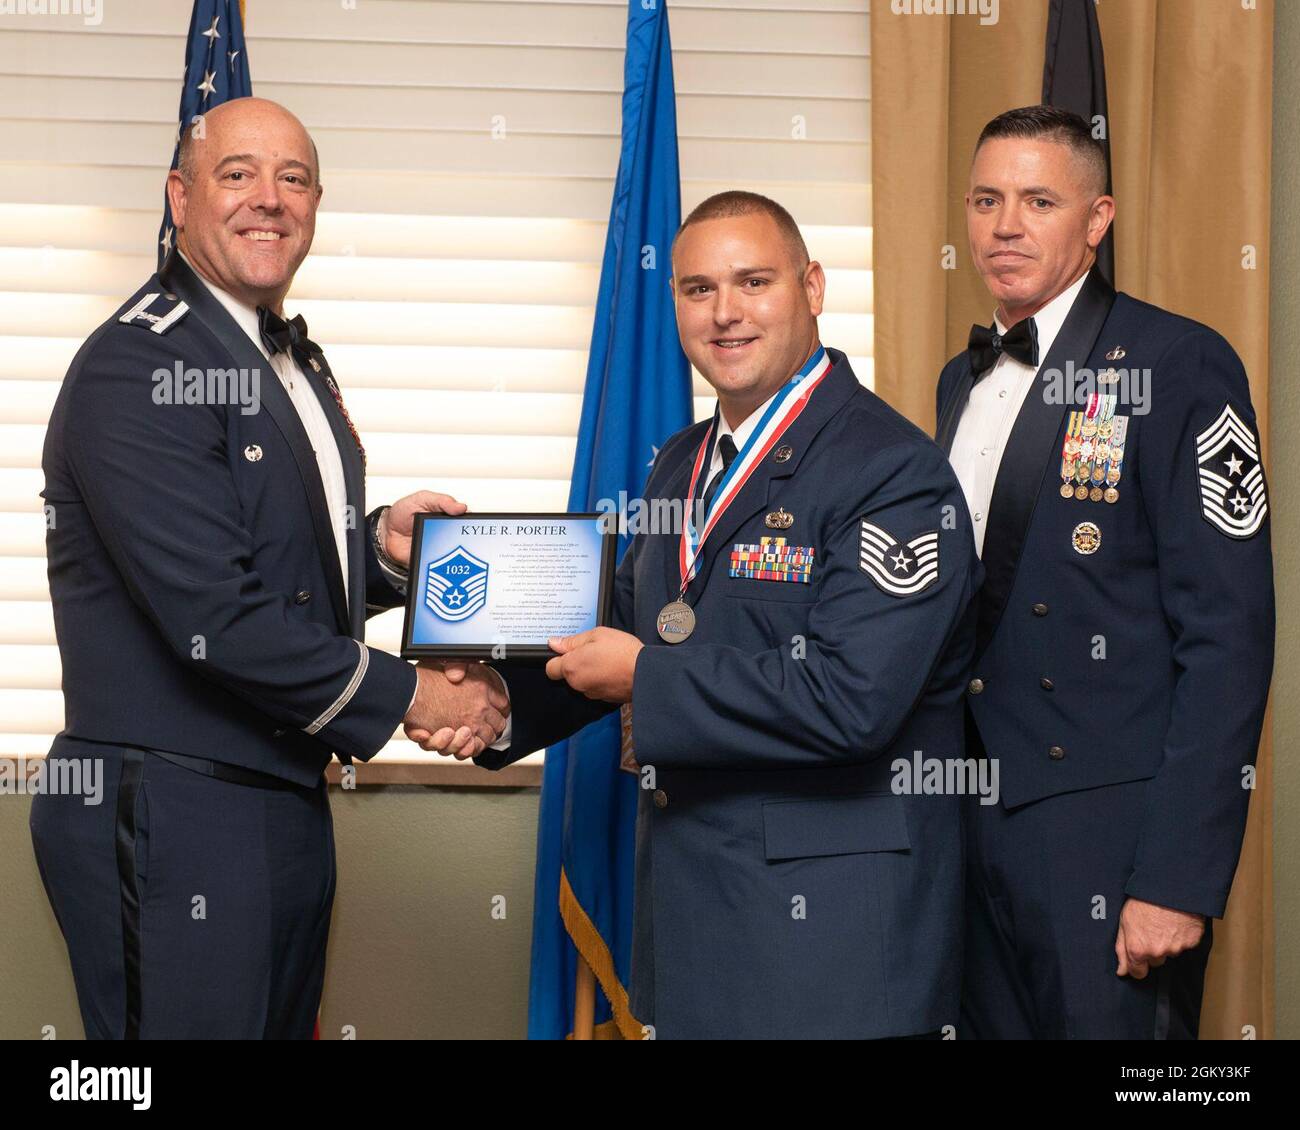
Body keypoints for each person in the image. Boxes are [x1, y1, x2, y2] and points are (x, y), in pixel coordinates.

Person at [415, 191, 982, 1039]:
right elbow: (615, 627)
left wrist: (645, 674)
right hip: (693, 932)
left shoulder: (893, 470)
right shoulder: (679, 463)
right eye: (698, 289)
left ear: (812, 287)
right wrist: (496, 701)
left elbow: (852, 699)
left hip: (831, 955)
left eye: (754, 282)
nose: (725, 313)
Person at [31, 97, 507, 1039]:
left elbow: (266, 561)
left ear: (317, 203)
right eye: (237, 174)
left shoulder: (285, 355)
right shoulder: (145, 365)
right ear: (179, 197)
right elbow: (218, 617)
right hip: (177, 808)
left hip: (272, 796)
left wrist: (381, 551)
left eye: (293, 179)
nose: (269, 199)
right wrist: (415, 696)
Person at [935, 105, 1274, 1039]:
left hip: (1111, 838)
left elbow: (1229, 637)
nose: (1006, 225)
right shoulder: (960, 379)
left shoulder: (1180, 362)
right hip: (970, 819)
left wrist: (1177, 878)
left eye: (1039, 201)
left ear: (1098, 219)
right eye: (986, 200)